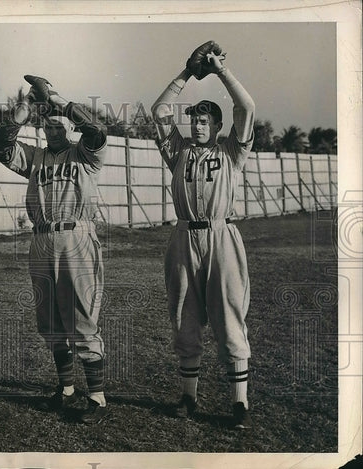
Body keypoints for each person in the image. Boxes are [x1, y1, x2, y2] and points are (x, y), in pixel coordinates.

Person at [0, 75, 108, 424]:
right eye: (49, 123)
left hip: (76, 235)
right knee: (51, 321)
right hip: (42, 238)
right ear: (41, 127)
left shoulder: (85, 154)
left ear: (68, 126)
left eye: (60, 122)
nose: (54, 128)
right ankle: (66, 388)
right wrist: (27, 104)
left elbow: (97, 131)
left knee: (82, 319)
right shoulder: (35, 157)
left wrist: (56, 100)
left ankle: (97, 398)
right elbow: (1, 146)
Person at [151, 43, 256, 429]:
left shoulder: (231, 152)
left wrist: (219, 71)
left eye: (204, 119)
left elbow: (246, 109)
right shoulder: (177, 152)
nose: (197, 124)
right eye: (193, 118)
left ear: (216, 126)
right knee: (184, 316)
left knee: (229, 316)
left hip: (222, 237)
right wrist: (186, 72)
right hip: (183, 238)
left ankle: (239, 403)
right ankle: (188, 397)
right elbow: (159, 112)